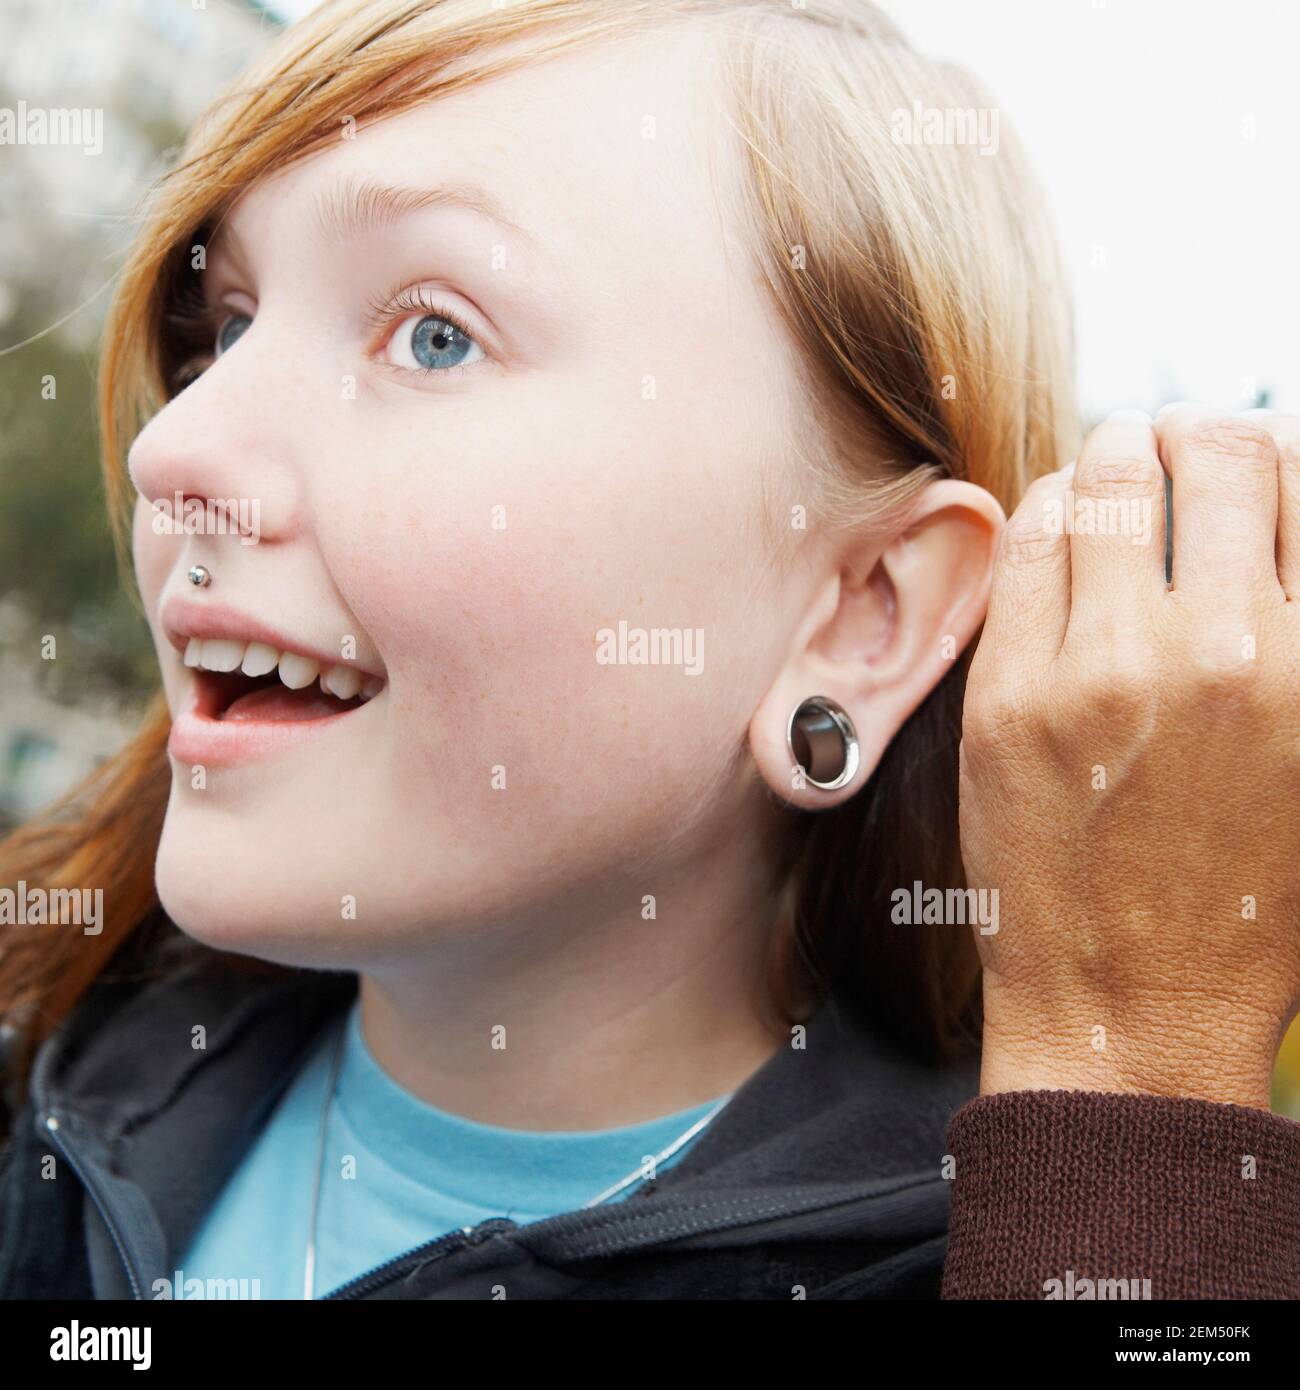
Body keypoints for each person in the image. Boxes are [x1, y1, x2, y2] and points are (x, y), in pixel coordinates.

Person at [2, 0, 1297, 1301]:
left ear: (862, 615)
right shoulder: (43, 1096)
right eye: (226, 324)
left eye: (434, 334)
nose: (170, 452)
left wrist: (1130, 1094)